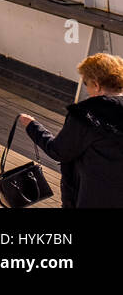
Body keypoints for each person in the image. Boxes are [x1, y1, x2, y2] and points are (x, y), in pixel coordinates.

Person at [18, 53, 123, 207]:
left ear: (96, 84)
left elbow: (59, 151)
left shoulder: (86, 114)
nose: (87, 89)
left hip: (93, 197)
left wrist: (32, 126)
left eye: (86, 83)